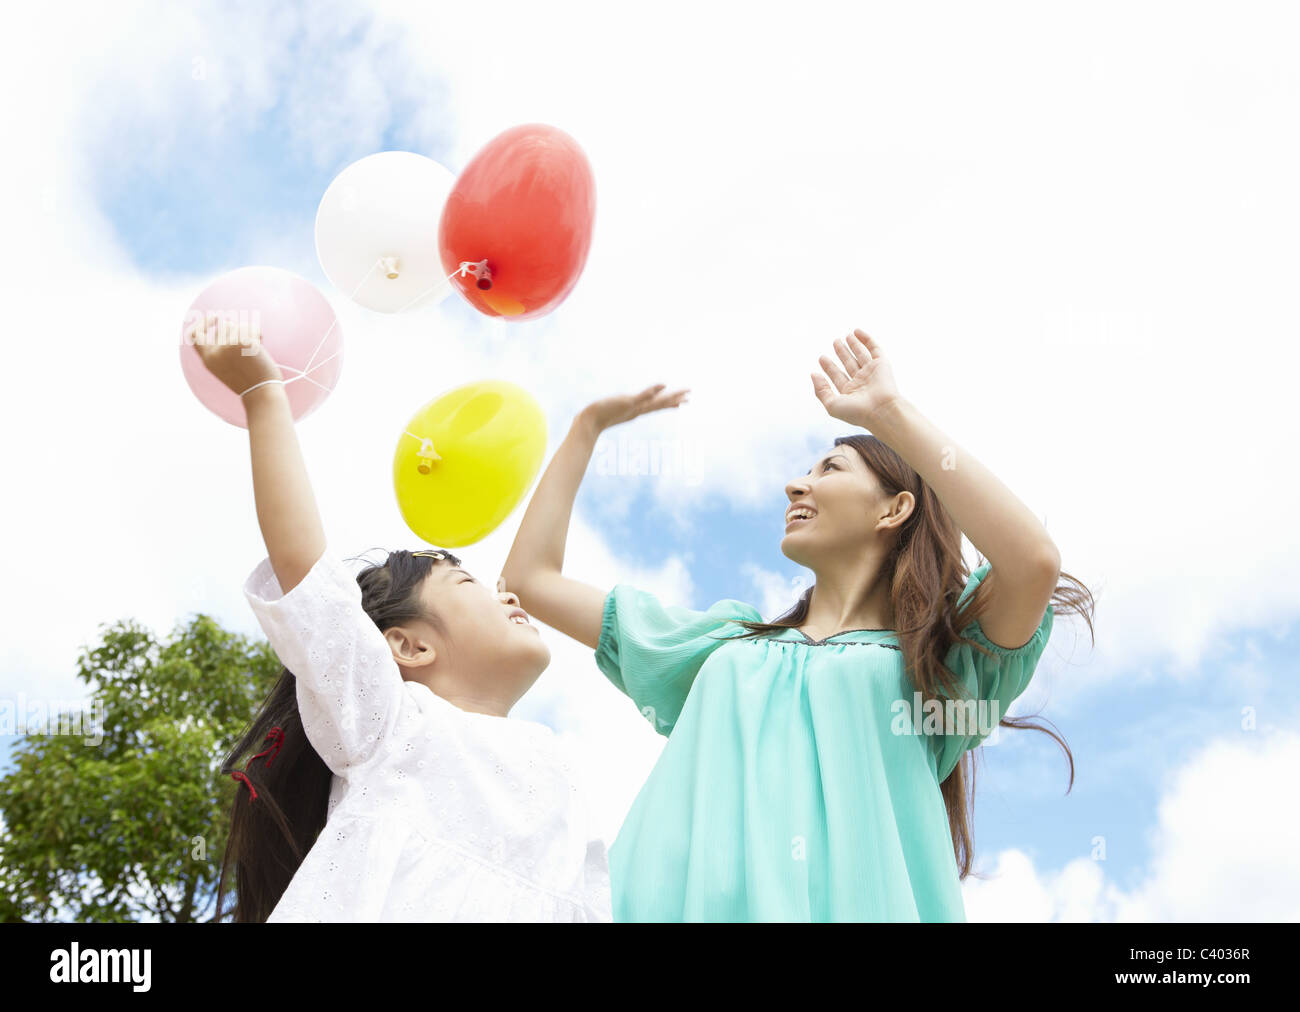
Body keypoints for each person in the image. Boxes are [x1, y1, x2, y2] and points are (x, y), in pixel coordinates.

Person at [500, 328, 1095, 921]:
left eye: (830, 468)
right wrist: (585, 431)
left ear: (895, 508)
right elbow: (529, 582)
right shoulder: (724, 646)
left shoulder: (939, 664)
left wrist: (889, 415)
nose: (795, 484)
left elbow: (1033, 562)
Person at [194, 318, 611, 922]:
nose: (510, 597)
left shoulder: (561, 771)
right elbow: (306, 574)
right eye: (472, 584)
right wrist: (263, 395)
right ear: (406, 648)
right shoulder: (389, 720)